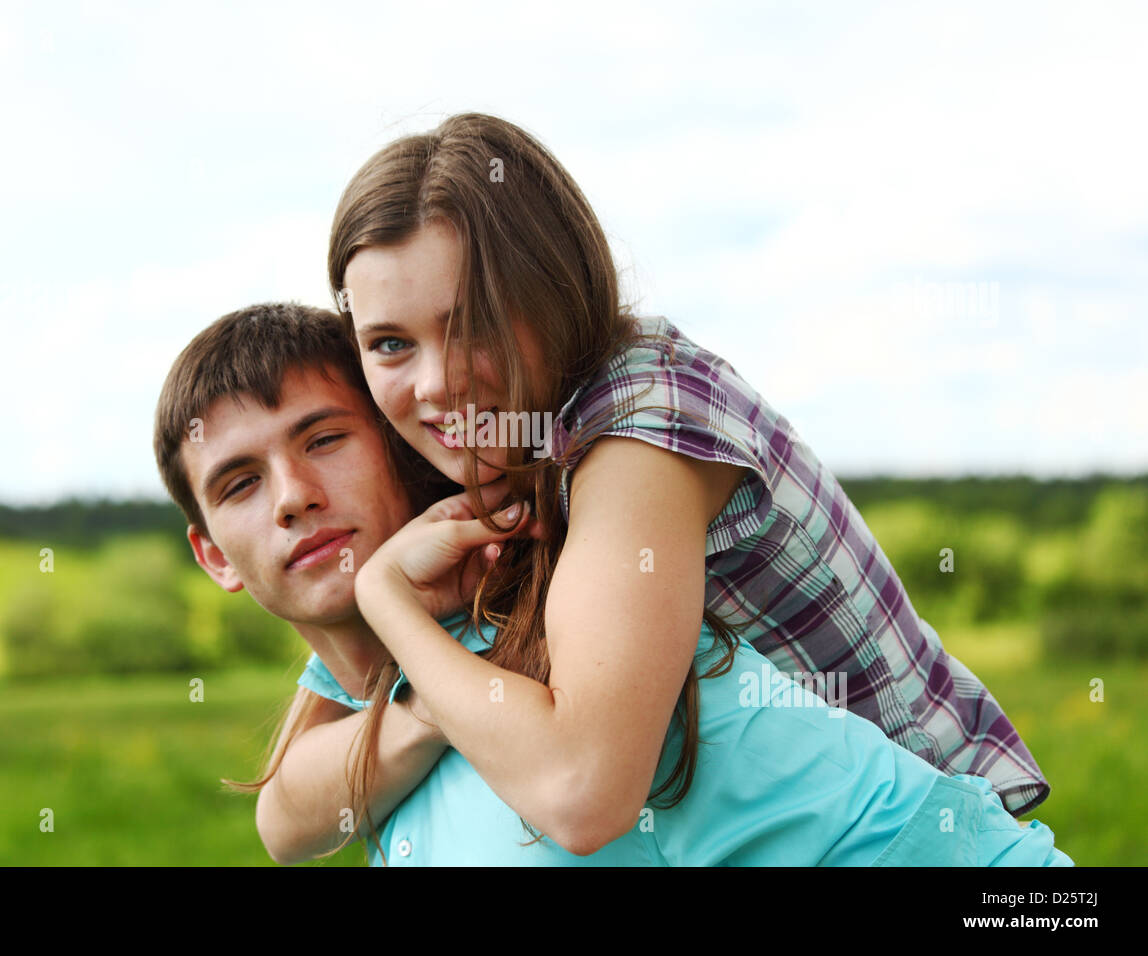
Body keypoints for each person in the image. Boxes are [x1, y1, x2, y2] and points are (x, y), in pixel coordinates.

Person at [310, 111, 1051, 855]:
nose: (438, 382)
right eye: (391, 344)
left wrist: (387, 603)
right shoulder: (517, 444)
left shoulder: (642, 431)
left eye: (476, 322)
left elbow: (583, 790)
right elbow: (282, 820)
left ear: (555, 291)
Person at [154, 301, 1071, 866]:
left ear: (404, 443)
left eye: (324, 439)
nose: (293, 498)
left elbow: (580, 794)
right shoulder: (398, 677)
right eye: (240, 482)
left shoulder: (565, 592)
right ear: (213, 556)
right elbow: (283, 816)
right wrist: (421, 689)